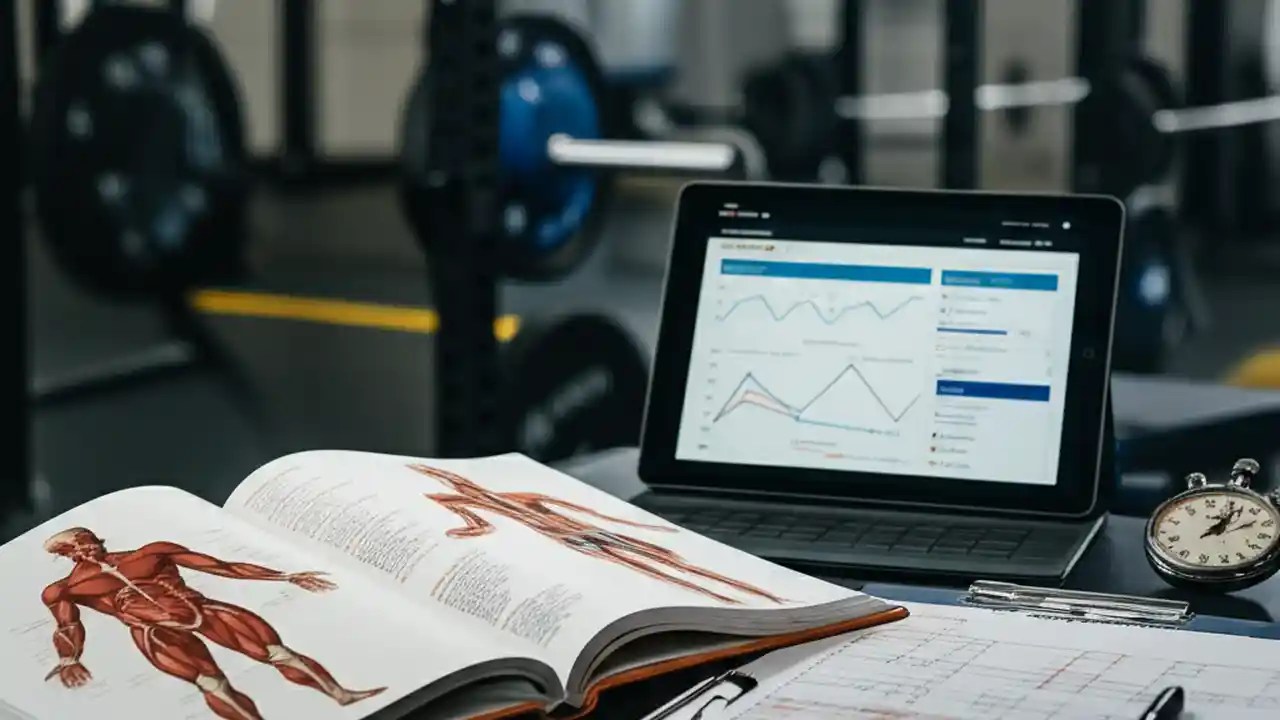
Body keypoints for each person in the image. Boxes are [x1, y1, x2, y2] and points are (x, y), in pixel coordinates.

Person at [41, 527, 385, 720]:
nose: (81, 551)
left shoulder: (152, 552)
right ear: (64, 556)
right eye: (72, 549)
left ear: (98, 539)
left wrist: (285, 575)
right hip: (154, 631)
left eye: (84, 542)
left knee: (278, 652)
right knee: (213, 684)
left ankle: (341, 696)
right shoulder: (66, 589)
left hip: (201, 609)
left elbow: (221, 566)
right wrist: (69, 658)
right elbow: (67, 626)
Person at [411, 463, 784, 605]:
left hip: (581, 539)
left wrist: (639, 525)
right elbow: (575, 512)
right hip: (582, 538)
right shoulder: (497, 499)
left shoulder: (489, 500)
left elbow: (481, 525)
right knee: (662, 567)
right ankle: (739, 595)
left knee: (662, 566)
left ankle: (742, 596)